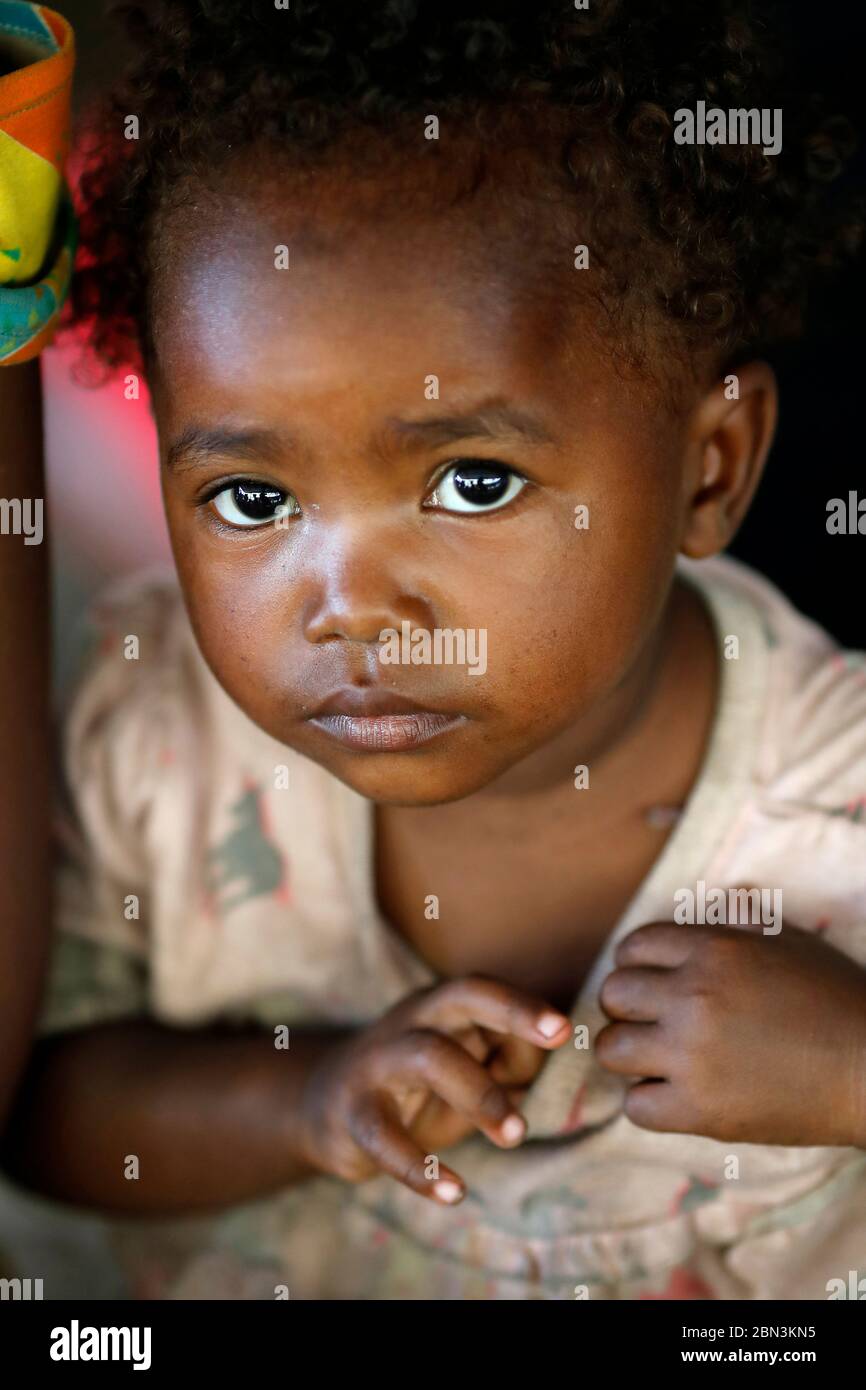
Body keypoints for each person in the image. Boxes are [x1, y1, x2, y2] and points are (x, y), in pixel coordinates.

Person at [3, 0, 866, 1300]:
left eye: (470, 481)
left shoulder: (833, 803)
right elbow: (33, 1109)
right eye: (251, 500)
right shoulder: (155, 725)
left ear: (710, 465)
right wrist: (300, 1098)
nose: (346, 605)